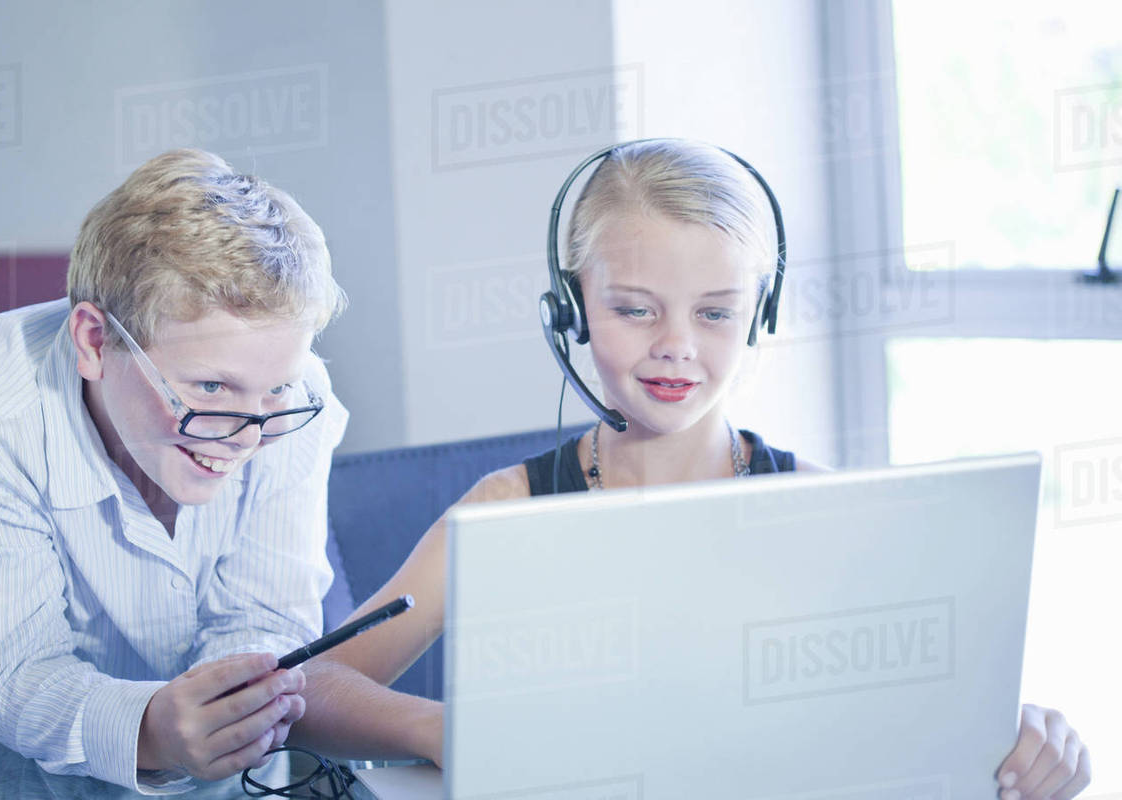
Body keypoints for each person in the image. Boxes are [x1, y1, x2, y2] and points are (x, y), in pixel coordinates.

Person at [290, 139, 1091, 800]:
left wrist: (1028, 733)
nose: (676, 345)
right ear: (570, 308)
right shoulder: (506, 507)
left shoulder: (821, 508)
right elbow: (313, 690)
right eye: (635, 309)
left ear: (759, 314)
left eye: (715, 313)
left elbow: (937, 703)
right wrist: (444, 730)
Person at [0, 148, 348, 791]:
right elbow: (18, 677)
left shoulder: (286, 400)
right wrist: (152, 731)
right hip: (10, 749)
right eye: (209, 387)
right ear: (95, 342)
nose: (245, 436)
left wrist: (229, 704)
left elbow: (265, 610)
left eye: (276, 390)